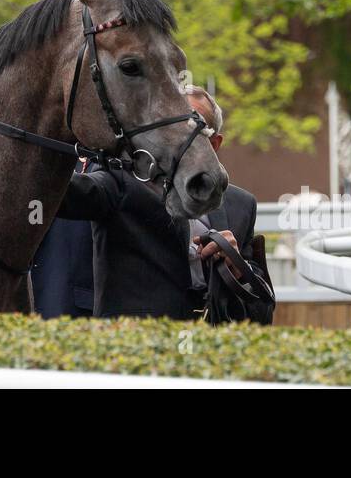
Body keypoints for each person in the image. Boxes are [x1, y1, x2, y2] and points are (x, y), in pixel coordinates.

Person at [54, 85, 268, 321]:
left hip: (210, 349)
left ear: (215, 144)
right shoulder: (121, 180)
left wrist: (238, 269)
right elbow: (63, 195)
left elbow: (262, 313)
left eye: (192, 126)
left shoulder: (242, 205)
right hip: (138, 346)